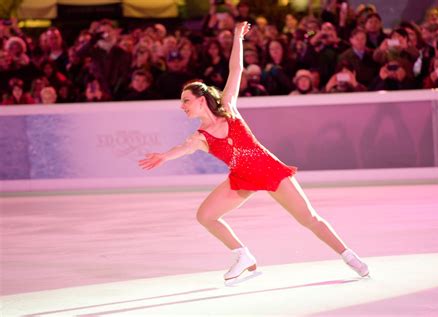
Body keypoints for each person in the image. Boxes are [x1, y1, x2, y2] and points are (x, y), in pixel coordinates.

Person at [138, 22, 369, 281]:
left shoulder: (228, 107)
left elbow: (235, 69)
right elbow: (183, 148)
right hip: (242, 179)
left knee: (309, 218)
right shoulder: (199, 137)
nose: (182, 106)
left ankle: (349, 255)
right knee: (205, 216)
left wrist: (237, 37)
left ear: (201, 100)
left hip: (270, 170)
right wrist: (164, 156)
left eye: (186, 101)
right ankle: (242, 255)